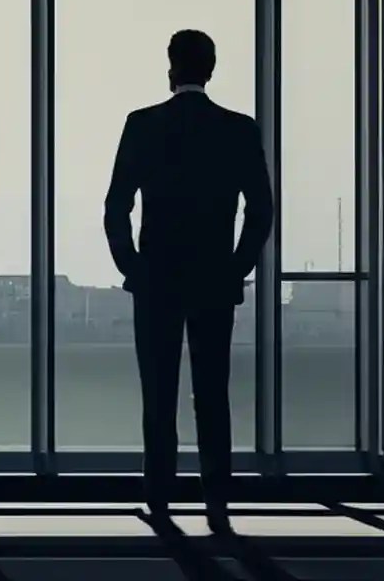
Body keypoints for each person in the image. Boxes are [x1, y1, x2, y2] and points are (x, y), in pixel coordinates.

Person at [103, 29, 273, 535]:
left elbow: (117, 205)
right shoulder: (238, 128)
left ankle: (158, 496)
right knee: (211, 391)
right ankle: (215, 497)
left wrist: (131, 267)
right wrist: (236, 267)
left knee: (158, 391)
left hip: (156, 277)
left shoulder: (143, 124)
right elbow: (260, 209)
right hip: (213, 279)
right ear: (212, 69)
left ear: (170, 67)